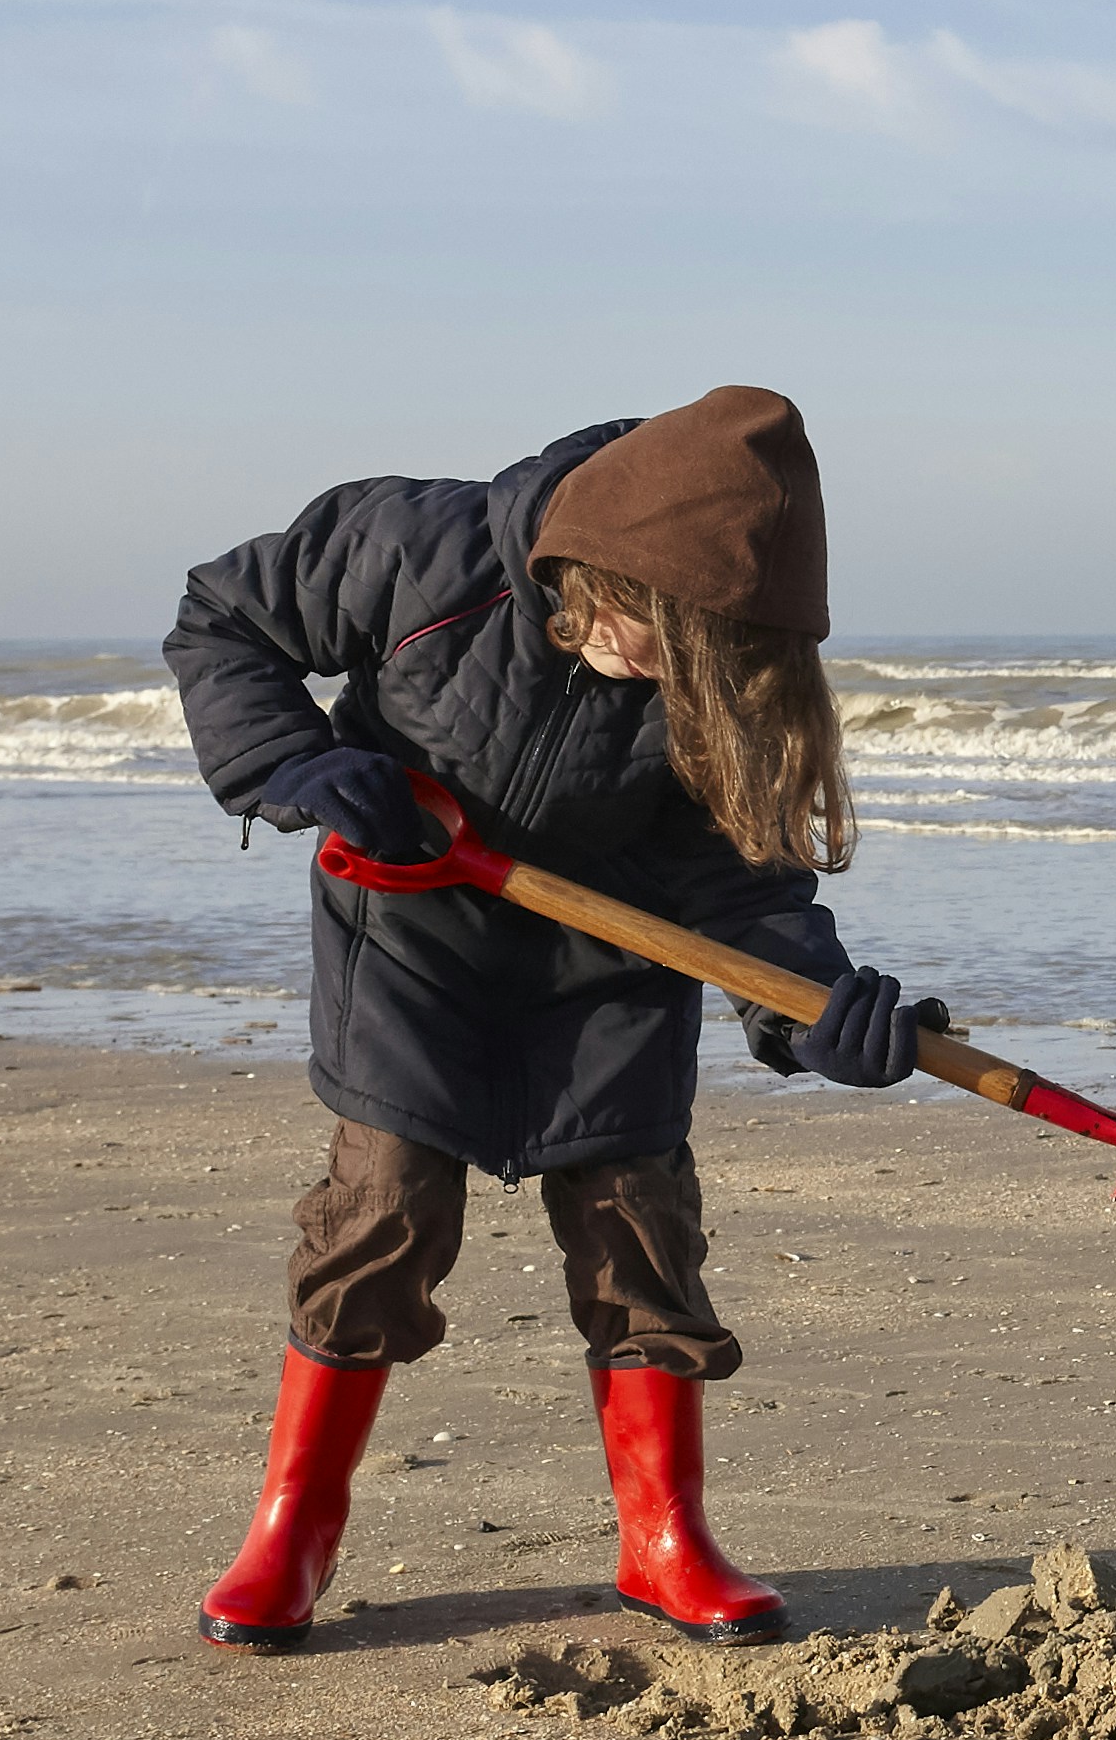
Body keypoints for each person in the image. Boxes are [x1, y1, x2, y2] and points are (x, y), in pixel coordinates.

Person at [165, 386, 929, 1652]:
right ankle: (293, 1527)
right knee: (383, 1210)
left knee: (642, 1231)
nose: (664, 668)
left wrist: (808, 1014)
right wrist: (294, 764)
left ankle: (663, 1539)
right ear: (598, 565)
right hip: (409, 922)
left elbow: (741, 885)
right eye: (655, 635)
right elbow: (223, 618)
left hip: (610, 959)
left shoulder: (719, 671)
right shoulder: (418, 546)